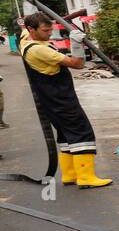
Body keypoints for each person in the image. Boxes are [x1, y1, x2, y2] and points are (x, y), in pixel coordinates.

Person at [19, 12, 110, 187]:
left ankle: (69, 175)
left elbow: (25, 27)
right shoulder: (39, 50)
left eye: (50, 30)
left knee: (66, 135)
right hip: (60, 99)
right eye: (45, 31)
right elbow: (77, 64)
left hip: (51, 100)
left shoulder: (26, 39)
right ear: (32, 29)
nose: (49, 34)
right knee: (81, 132)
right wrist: (76, 45)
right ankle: (86, 178)